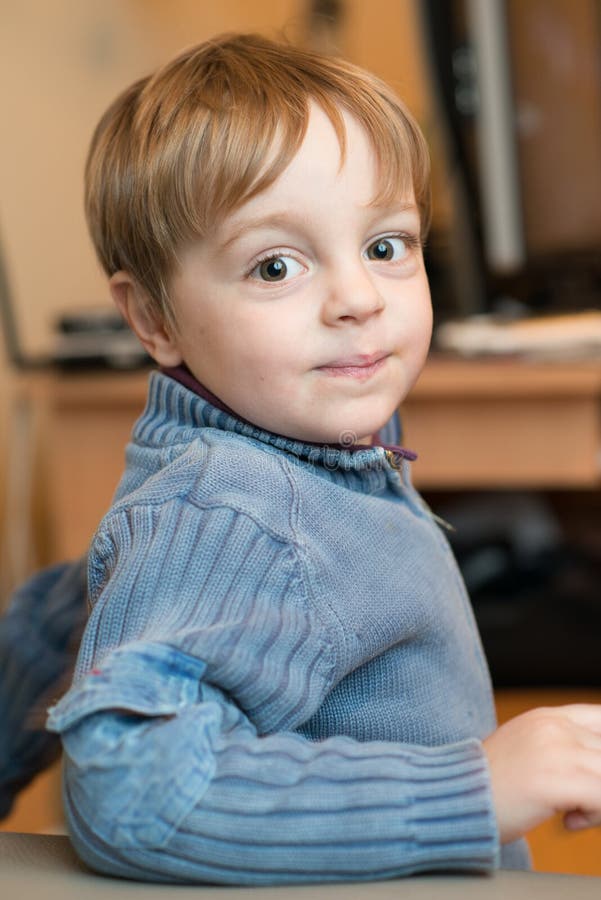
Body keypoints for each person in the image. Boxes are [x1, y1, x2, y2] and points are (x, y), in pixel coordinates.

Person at [43, 33, 601, 884]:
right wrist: (475, 791)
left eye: (386, 246)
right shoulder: (235, 507)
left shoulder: (302, 461)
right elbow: (132, 788)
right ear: (153, 318)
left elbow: (60, 620)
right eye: (275, 266)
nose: (357, 298)